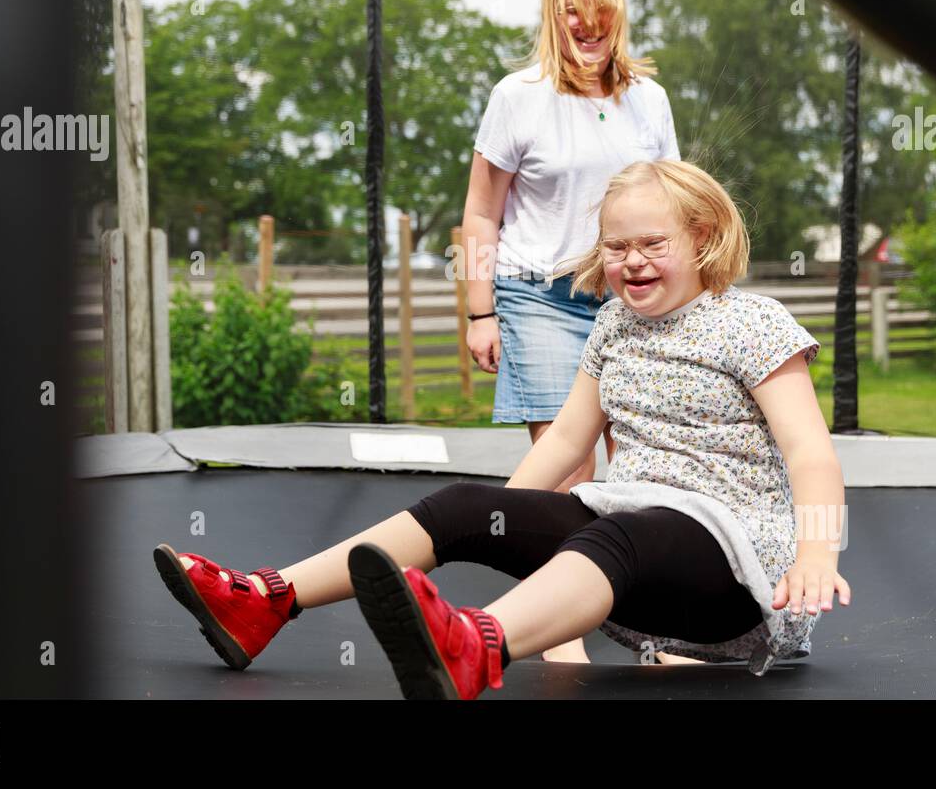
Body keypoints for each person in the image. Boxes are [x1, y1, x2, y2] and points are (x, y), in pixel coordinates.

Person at [153, 159, 851, 700]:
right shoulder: (612, 326)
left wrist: (815, 554)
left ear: (702, 239)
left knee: (626, 529)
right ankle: (264, 602)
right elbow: (568, 443)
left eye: (652, 243)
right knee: (464, 505)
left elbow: (809, 453)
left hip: (741, 573)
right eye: (616, 246)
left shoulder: (751, 323)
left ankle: (475, 646)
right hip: (638, 540)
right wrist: (501, 523)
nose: (632, 261)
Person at [461, 0, 682, 662]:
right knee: (569, 473)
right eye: (572, 11)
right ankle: (560, 643)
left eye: (600, 10)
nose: (588, 24)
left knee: (647, 473)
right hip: (540, 298)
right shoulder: (517, 95)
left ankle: (660, 628)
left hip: (633, 300)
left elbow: (675, 202)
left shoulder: (647, 99)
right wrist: (479, 310)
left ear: (618, 13)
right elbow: (479, 213)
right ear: (554, 16)